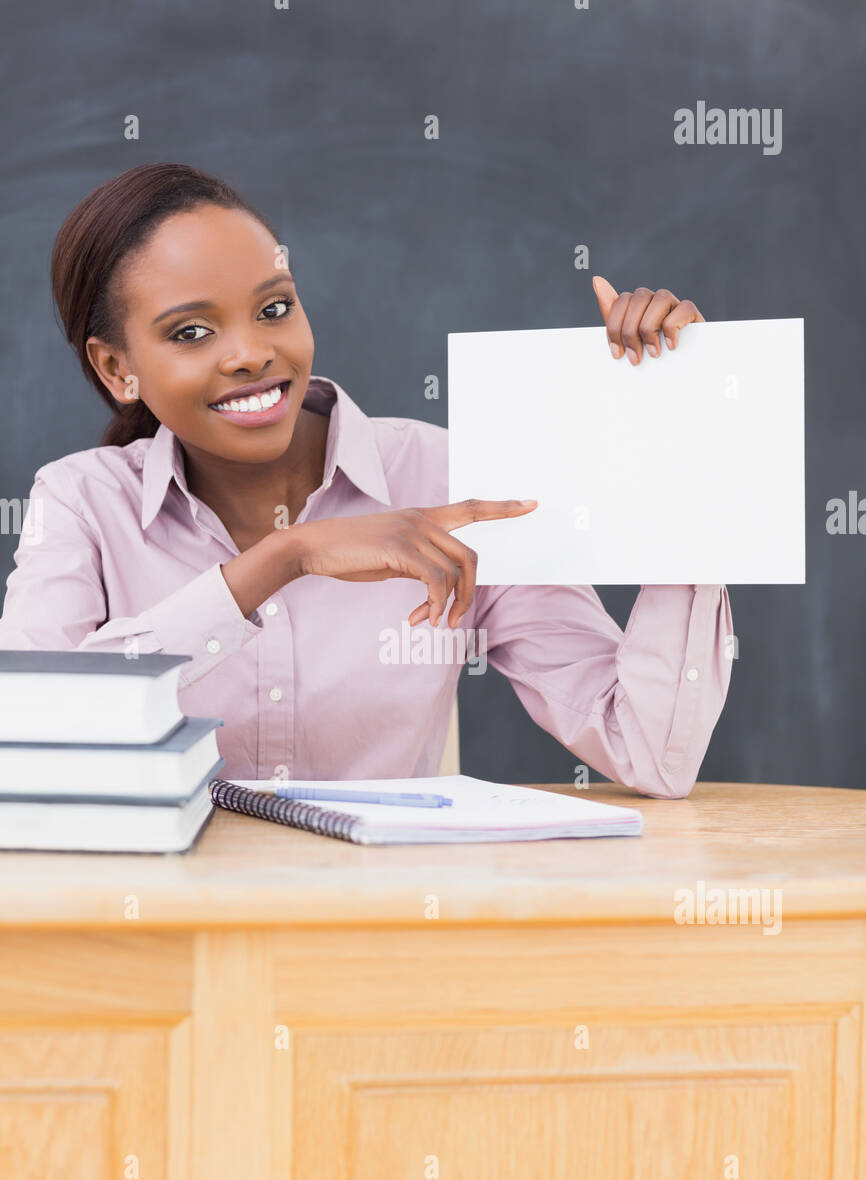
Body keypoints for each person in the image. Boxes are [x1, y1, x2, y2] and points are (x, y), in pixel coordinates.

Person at [0, 163, 733, 792]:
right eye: (192, 332)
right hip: (165, 940)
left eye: (273, 308)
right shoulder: (81, 500)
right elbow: (29, 731)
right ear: (116, 368)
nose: (251, 352)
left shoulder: (450, 479)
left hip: (387, 938)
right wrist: (287, 557)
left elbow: (648, 752)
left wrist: (668, 449)